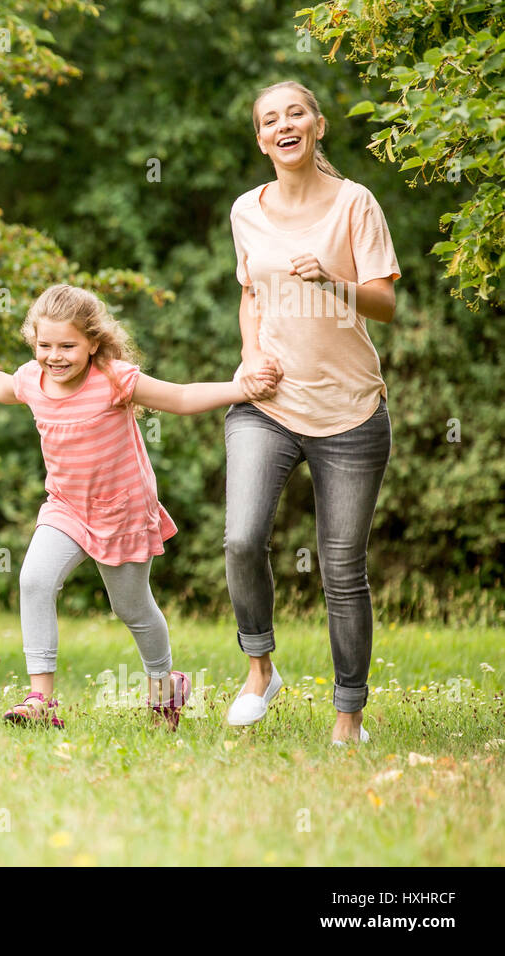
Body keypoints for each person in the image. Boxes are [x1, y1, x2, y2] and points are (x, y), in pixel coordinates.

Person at [0, 285, 278, 729]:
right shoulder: (33, 380)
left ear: (93, 343)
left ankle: (164, 685)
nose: (54, 356)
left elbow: (180, 398)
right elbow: (2, 386)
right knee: (34, 580)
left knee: (131, 608)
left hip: (122, 512)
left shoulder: (115, 379)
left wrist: (241, 388)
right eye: (44, 345)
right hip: (66, 508)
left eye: (67, 346)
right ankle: (41, 699)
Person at [224, 80, 400, 745]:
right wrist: (248, 357)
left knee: (341, 570)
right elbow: (250, 292)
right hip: (268, 404)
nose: (283, 124)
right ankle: (259, 667)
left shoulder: (354, 203)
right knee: (241, 538)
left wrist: (332, 277)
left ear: (318, 127)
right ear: (261, 139)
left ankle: (347, 717)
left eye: (295, 113)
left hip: (351, 412)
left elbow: (386, 302)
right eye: (269, 119)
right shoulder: (247, 210)